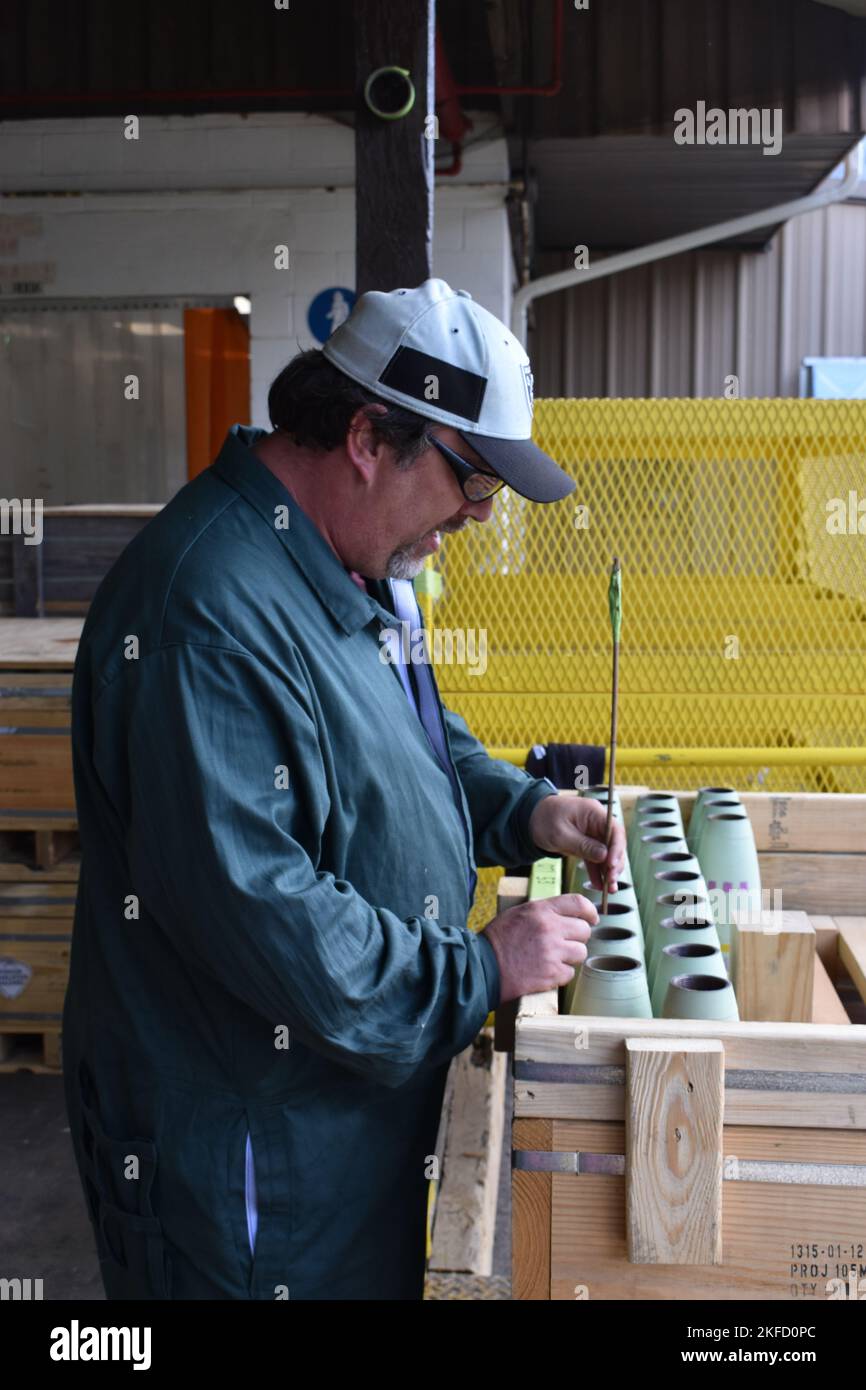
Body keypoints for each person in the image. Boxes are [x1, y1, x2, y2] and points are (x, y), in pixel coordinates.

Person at [62, 278, 625, 1301]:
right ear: (368, 437)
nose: (473, 516)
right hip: (250, 1163)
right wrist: (478, 969)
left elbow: (414, 741)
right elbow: (267, 912)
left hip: (341, 1122)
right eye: (469, 482)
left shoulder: (357, 567)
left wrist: (521, 807)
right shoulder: (206, 613)